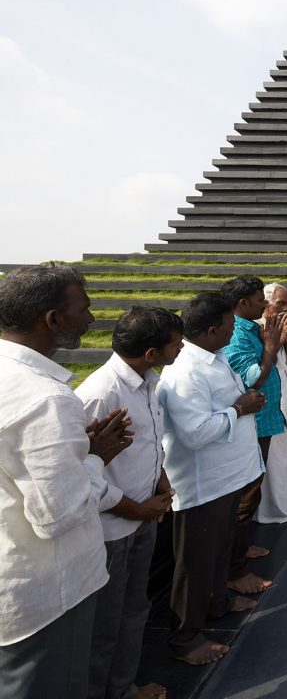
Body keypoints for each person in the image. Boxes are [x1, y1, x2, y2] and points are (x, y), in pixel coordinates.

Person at [0, 264, 131, 699]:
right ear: (53, 319)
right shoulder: (46, 398)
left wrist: (76, 454)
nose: (92, 319)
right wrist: (95, 458)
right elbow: (60, 515)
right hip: (47, 594)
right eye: (83, 309)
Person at [76, 306, 182, 699]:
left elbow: (147, 443)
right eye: (175, 343)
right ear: (151, 353)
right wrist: (138, 509)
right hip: (112, 530)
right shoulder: (100, 395)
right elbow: (85, 476)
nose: (181, 348)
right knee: (106, 624)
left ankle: (122, 688)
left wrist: (160, 481)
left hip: (142, 519)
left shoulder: (148, 381)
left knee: (133, 611)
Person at [156, 291, 266, 666]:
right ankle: (186, 638)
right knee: (195, 565)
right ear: (213, 330)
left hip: (227, 477)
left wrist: (242, 404)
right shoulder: (186, 371)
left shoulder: (215, 358)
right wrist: (239, 408)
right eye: (231, 325)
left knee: (219, 551)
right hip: (203, 486)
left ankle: (218, 603)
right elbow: (195, 433)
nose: (235, 330)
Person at [221, 276, 287, 593]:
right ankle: (234, 570)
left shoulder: (251, 329)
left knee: (252, 489)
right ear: (242, 303)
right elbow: (254, 378)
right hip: (251, 422)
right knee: (246, 495)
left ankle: (241, 547)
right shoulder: (238, 335)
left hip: (262, 420)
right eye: (259, 300)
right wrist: (272, 345)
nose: (264, 305)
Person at [255, 283, 287, 524]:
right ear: (266, 305)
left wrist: (286, 340)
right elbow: (261, 367)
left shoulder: (281, 327)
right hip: (267, 403)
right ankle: (272, 509)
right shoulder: (257, 329)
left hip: (284, 399)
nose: (286, 308)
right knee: (273, 461)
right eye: (281, 303)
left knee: (286, 459)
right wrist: (277, 340)